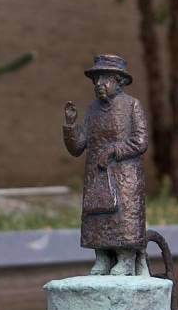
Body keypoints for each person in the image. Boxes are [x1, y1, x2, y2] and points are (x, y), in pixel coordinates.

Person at [62, 54, 150, 276]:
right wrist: (70, 125)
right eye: (97, 79)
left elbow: (140, 141)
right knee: (97, 217)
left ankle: (126, 259)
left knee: (123, 216)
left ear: (119, 82)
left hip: (124, 176)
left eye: (105, 79)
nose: (99, 84)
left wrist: (113, 150)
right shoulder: (92, 109)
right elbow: (78, 147)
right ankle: (101, 257)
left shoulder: (132, 106)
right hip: (97, 175)